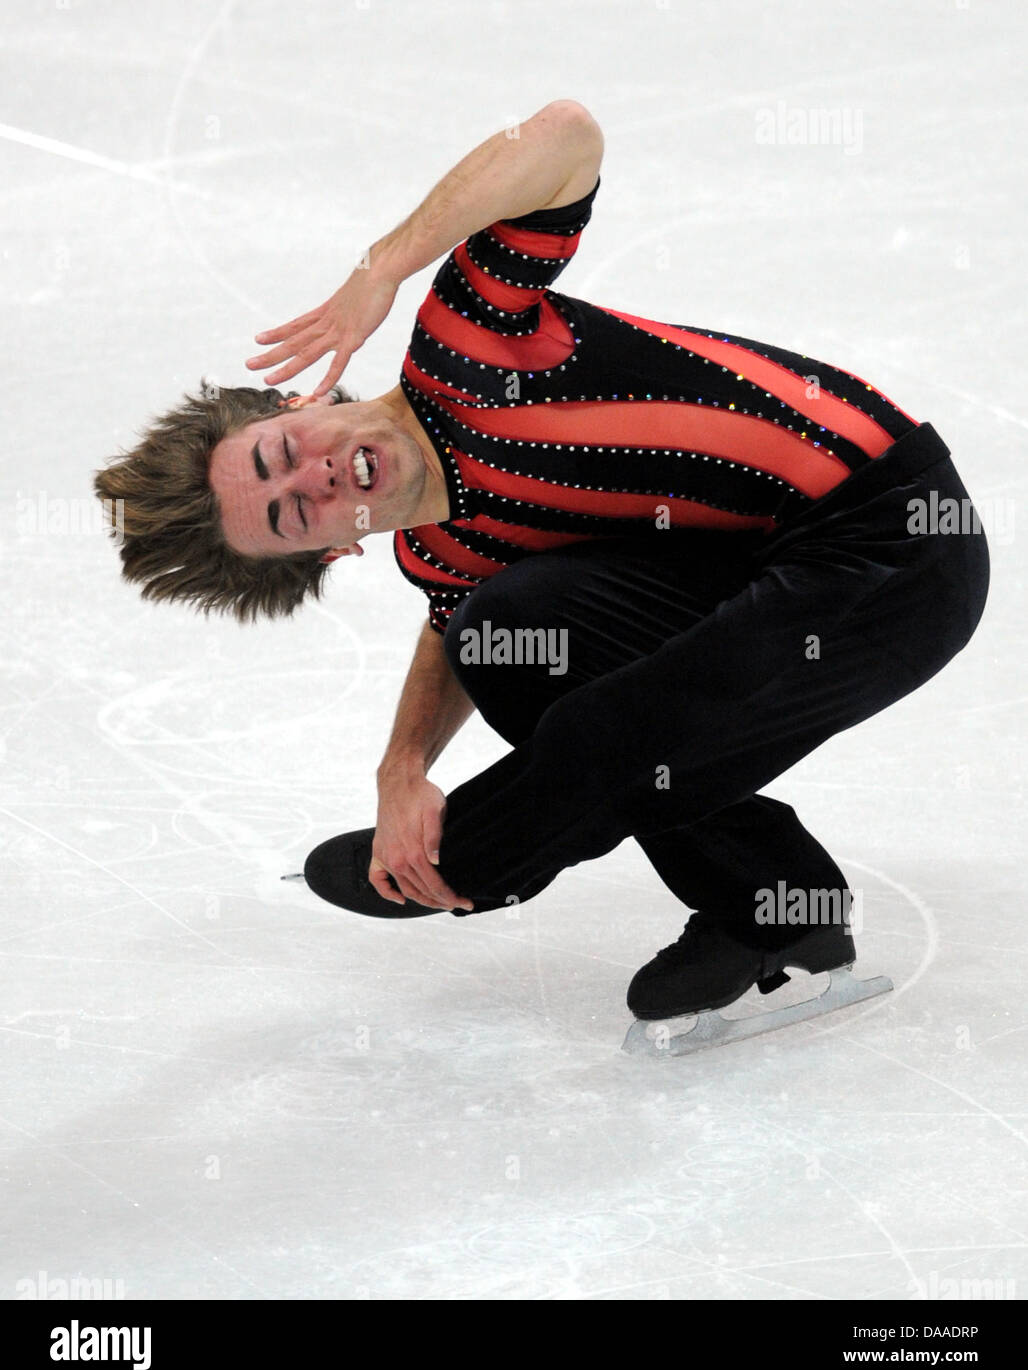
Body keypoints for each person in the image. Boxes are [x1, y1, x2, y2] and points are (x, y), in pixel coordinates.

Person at [94, 100, 990, 1041]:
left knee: (624, 723)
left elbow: (567, 136)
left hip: (896, 544)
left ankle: (472, 865)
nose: (314, 474)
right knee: (504, 638)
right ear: (328, 551)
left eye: (282, 451)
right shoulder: (438, 551)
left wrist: (381, 268)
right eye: (290, 514)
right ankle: (778, 905)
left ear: (294, 399)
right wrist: (401, 771)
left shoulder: (469, 336)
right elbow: (454, 622)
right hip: (764, 579)